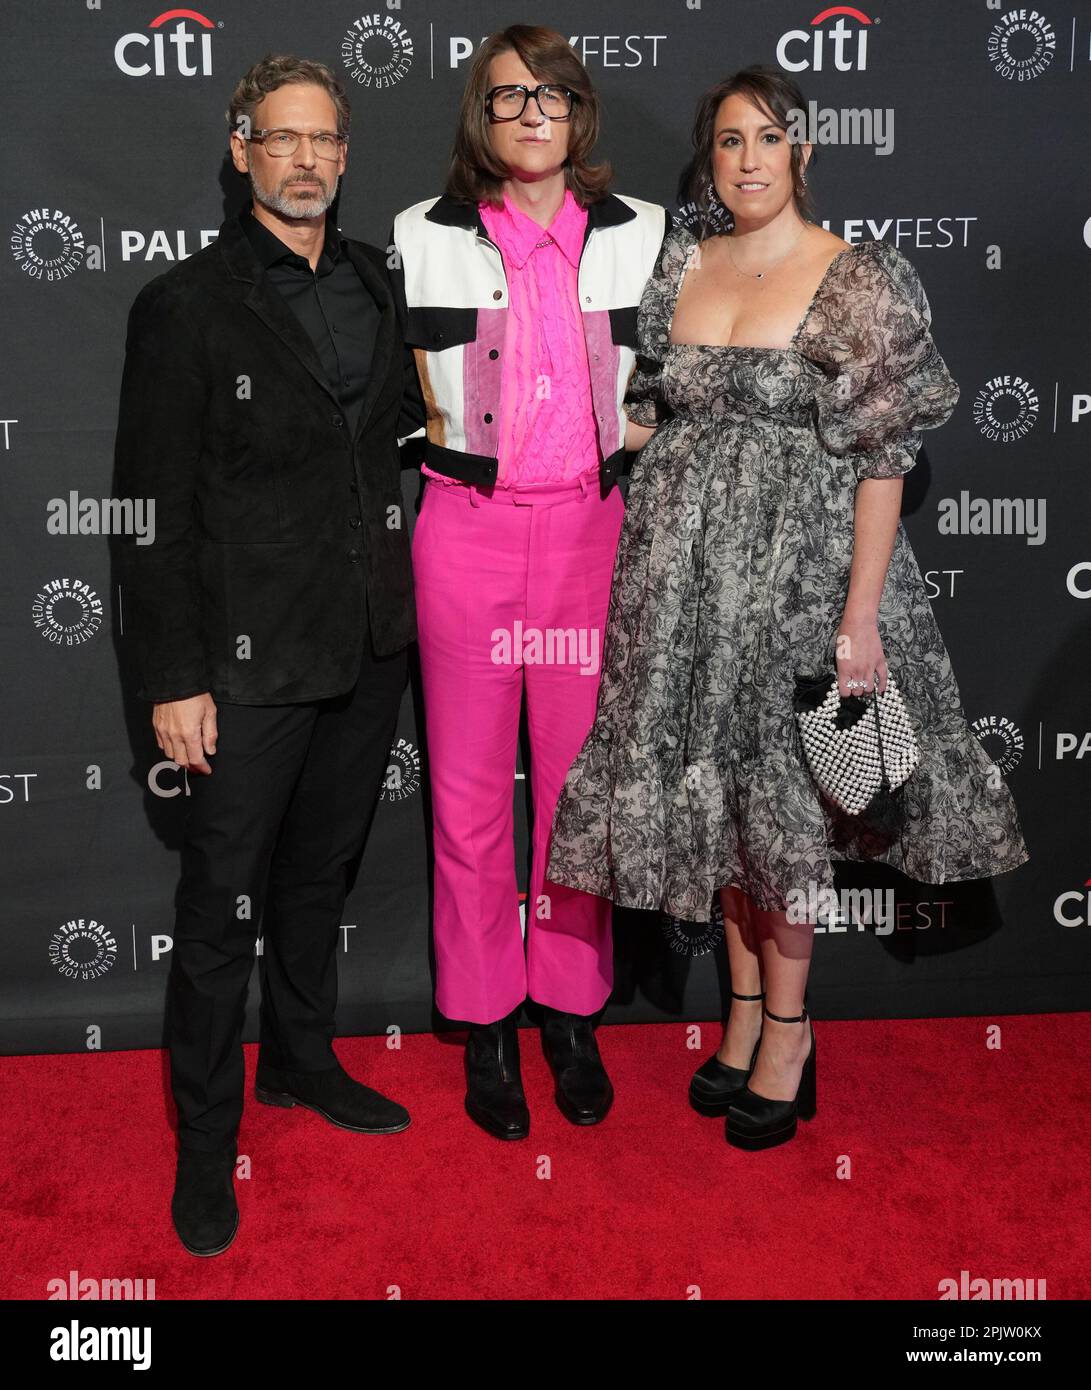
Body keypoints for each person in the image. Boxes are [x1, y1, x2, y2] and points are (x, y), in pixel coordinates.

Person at [545, 65, 1029, 1151]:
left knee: (784, 810)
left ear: (800, 151)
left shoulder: (857, 278)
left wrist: (857, 618)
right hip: (680, 583)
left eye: (767, 137)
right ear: (707, 157)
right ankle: (742, 1013)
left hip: (800, 581)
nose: (748, 157)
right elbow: (646, 412)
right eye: (728, 140)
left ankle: (790, 1033)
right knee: (716, 793)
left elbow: (881, 461)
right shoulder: (683, 256)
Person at [113, 54, 424, 1255]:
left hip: (363, 647)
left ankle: (301, 1063)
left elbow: (412, 437)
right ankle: (204, 1144)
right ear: (241, 152)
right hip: (240, 669)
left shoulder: (373, 283)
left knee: (316, 880)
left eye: (323, 140)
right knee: (216, 910)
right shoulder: (184, 305)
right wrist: (172, 679)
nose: (304, 158)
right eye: (279, 138)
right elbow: (149, 509)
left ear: (345, 158)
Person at [391, 25, 670, 1140]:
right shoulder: (421, 235)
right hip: (462, 532)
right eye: (507, 97)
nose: (530, 113)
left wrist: (636, 434)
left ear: (578, 111)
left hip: (586, 540)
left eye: (550, 94)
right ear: (482, 115)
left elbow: (684, 380)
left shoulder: (643, 234)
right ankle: (485, 1020)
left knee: (572, 793)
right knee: (463, 797)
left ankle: (566, 1011)